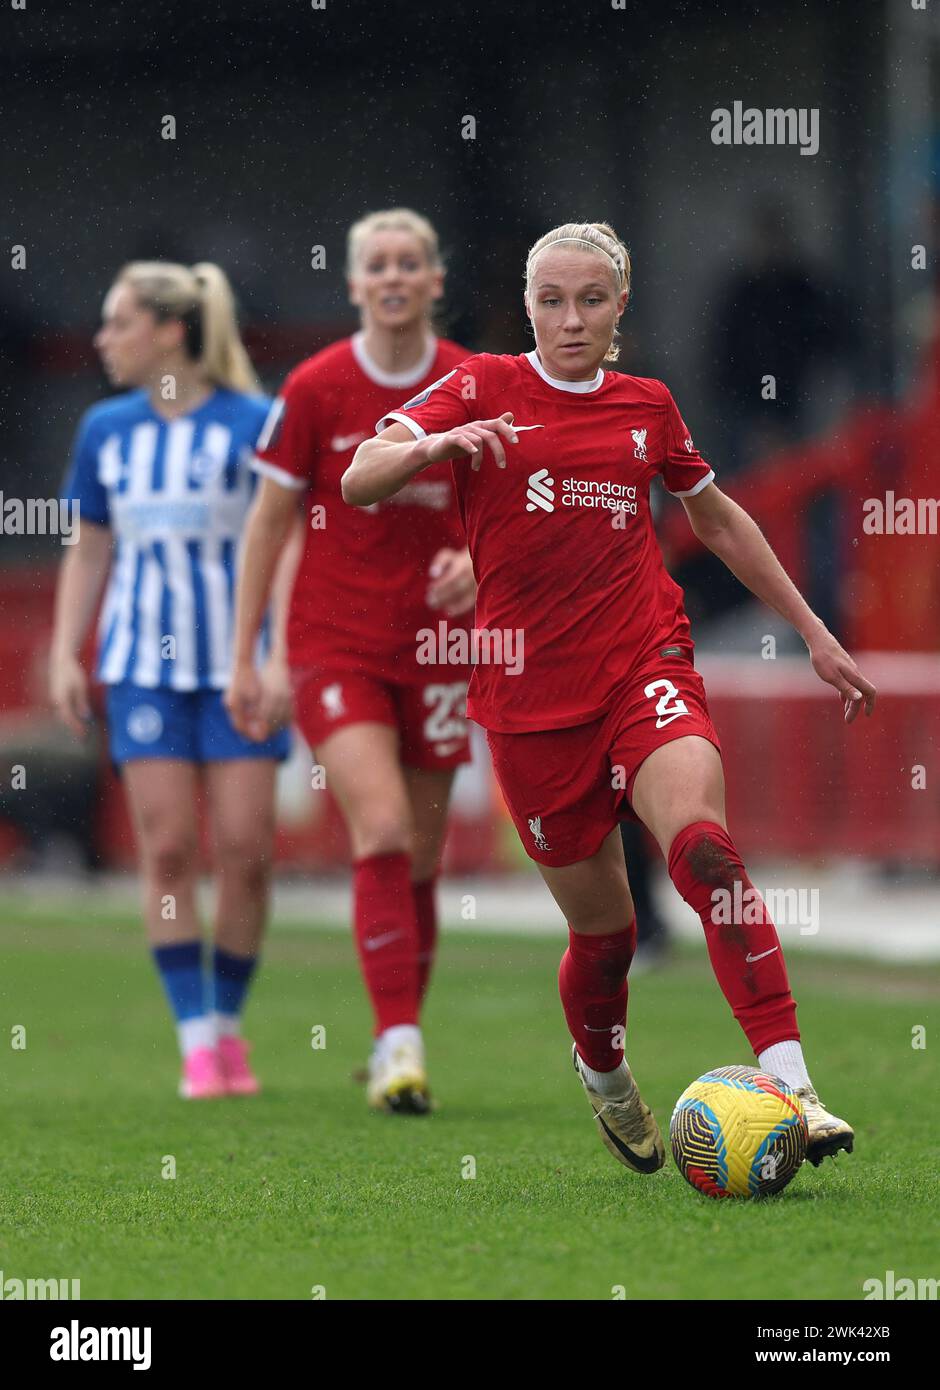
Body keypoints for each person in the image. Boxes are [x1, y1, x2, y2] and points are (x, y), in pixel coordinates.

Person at [343, 220, 877, 1173]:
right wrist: (434, 447)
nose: (571, 318)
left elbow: (715, 515)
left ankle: (793, 1083)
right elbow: (358, 476)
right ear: (528, 304)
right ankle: (604, 1072)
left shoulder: (648, 407)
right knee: (606, 934)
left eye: (591, 300)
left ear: (620, 305)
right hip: (528, 704)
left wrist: (815, 633)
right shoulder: (482, 386)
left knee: (706, 852)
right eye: (552, 300)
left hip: (645, 665)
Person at [225, 209, 474, 1115]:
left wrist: (478, 567)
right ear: (355, 283)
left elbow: (523, 507)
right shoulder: (318, 387)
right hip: (335, 642)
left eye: (412, 262)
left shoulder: (471, 382)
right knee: (381, 832)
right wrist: (247, 655)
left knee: (422, 862)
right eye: (379, 264)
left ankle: (389, 1035)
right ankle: (402, 1044)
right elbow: (267, 522)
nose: (396, 276)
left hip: (443, 649)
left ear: (436, 279)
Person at [51, 261, 294, 1100]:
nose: (101, 341)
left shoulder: (256, 421)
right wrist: (63, 653)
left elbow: (290, 540)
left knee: (245, 852)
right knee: (167, 848)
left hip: (235, 672)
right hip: (139, 670)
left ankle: (228, 1026)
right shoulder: (105, 429)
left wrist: (276, 653)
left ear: (166, 331)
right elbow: (89, 548)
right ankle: (196, 1041)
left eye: (116, 323)